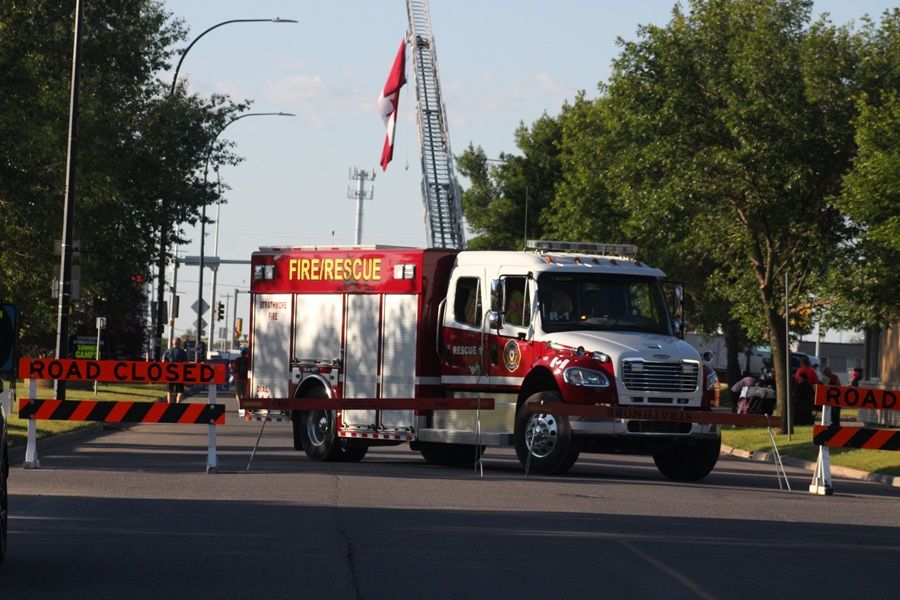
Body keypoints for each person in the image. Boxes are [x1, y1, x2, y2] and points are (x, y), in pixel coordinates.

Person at [162, 337, 187, 404]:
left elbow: (163, 362)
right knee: (180, 392)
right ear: (180, 343)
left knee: (169, 392)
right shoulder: (183, 352)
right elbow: (186, 364)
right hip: (180, 374)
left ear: (173, 342)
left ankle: (169, 406)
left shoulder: (167, 351)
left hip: (169, 374)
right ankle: (177, 404)